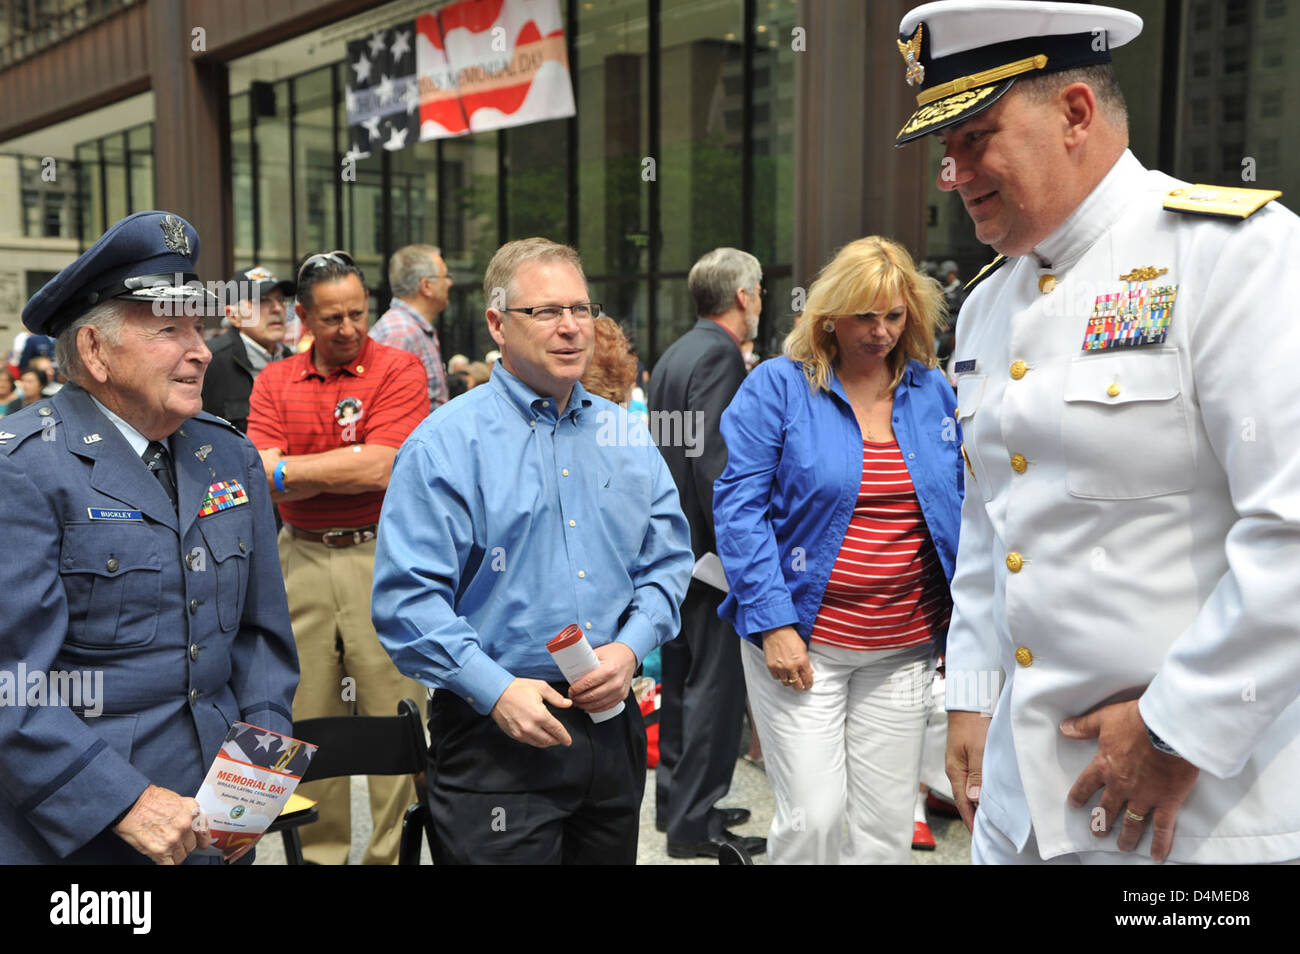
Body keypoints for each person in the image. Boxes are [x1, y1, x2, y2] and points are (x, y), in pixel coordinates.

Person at [894, 0, 1300, 865]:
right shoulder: (990, 305)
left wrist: (1177, 731)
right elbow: (990, 526)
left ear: (1076, 112)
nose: (953, 173)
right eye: (945, 147)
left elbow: (1290, 531)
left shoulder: (1236, 255)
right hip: (1019, 810)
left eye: (976, 137)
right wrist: (970, 695)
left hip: (1193, 815)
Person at [372, 237, 694, 864]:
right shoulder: (444, 445)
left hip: (610, 724)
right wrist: (494, 689)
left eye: (581, 308)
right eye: (545, 311)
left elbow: (666, 564)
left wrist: (631, 647)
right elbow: (407, 603)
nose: (571, 327)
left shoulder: (627, 436)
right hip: (495, 733)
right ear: (497, 324)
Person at [0, 209, 299, 864]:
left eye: (199, 327)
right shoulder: (23, 468)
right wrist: (122, 802)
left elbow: (263, 639)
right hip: (80, 833)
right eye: (170, 329)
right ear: (94, 351)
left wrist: (256, 775)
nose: (200, 350)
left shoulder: (230, 456)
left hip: (217, 825)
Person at [713, 236, 962, 864]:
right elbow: (739, 511)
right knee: (814, 819)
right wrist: (773, 624)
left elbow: (961, 506)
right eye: (864, 316)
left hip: (903, 646)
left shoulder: (931, 391)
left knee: (884, 832)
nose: (881, 332)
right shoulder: (780, 386)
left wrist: (964, 628)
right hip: (804, 643)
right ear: (829, 316)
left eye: (894, 315)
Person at [246, 249, 429, 865]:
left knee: (393, 713)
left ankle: (389, 856)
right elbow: (259, 476)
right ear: (303, 318)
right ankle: (319, 857)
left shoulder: (399, 369)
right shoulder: (275, 381)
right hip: (298, 557)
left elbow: (382, 467)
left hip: (381, 554)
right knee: (306, 716)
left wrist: (292, 470)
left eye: (357, 313)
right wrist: (335, 468)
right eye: (332, 318)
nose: (349, 328)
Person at [649, 247, 766, 859]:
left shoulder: (676, 352)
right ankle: (694, 822)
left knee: (680, 685)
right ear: (743, 296)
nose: (762, 301)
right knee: (713, 692)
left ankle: (677, 805)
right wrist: (737, 558)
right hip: (709, 556)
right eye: (760, 290)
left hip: (675, 550)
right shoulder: (720, 355)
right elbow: (715, 466)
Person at [202, 266, 295, 431]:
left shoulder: (293, 361)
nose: (277, 308)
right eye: (262, 300)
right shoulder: (208, 361)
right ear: (234, 316)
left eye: (281, 300)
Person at [370, 244, 452, 409]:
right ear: (426, 286)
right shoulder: (400, 333)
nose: (449, 283)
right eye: (445, 276)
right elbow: (387, 408)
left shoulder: (409, 329)